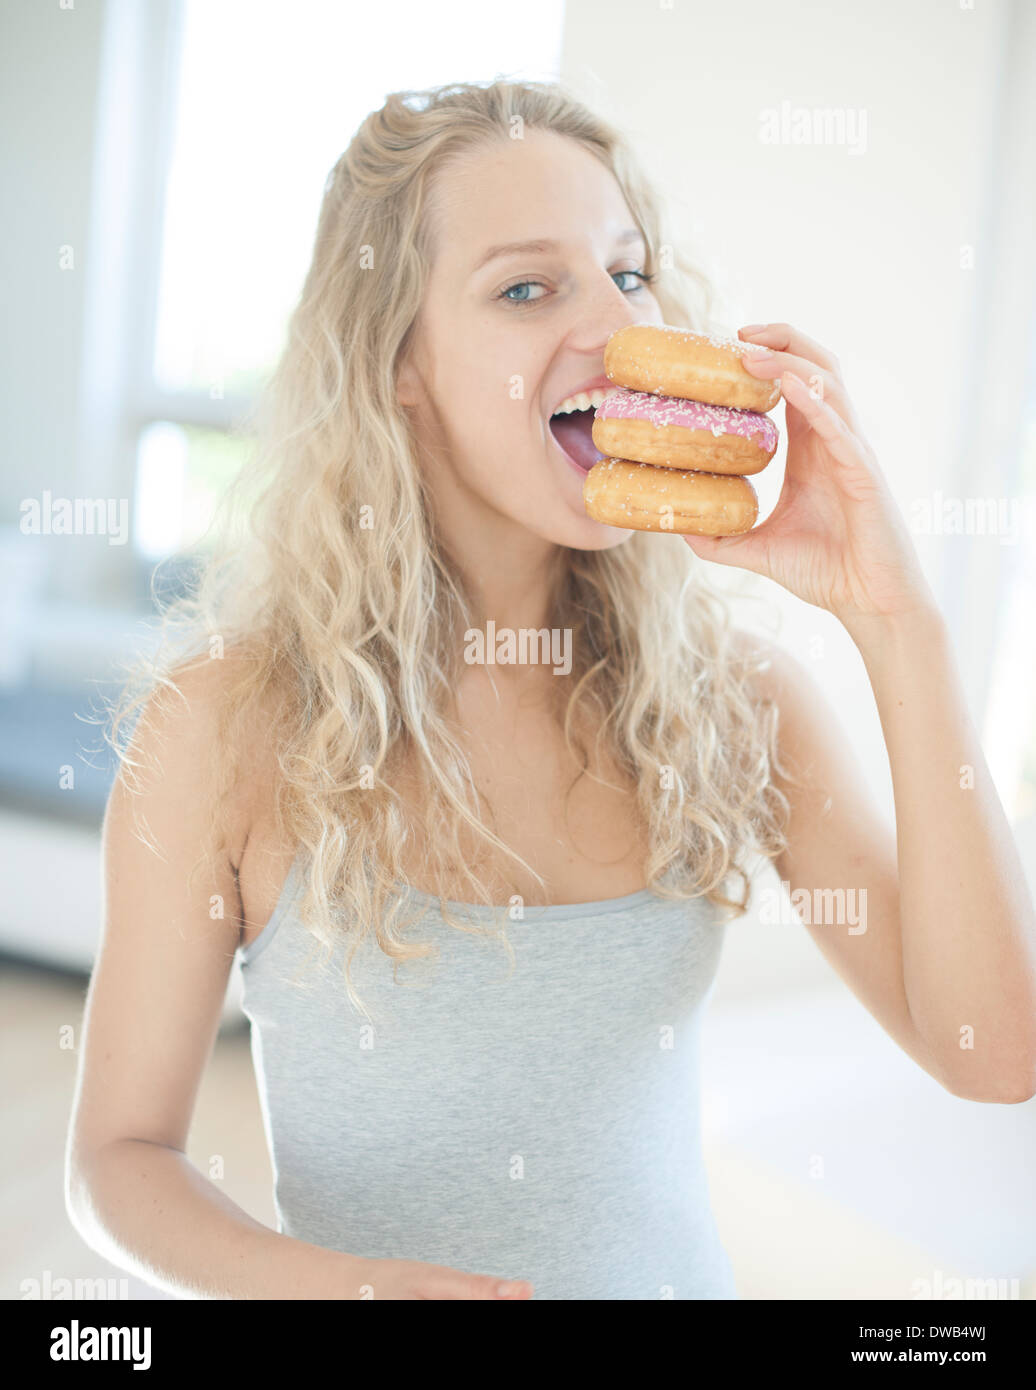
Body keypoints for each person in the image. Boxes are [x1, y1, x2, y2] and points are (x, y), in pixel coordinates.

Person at [65, 79, 1036, 1301]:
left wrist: (899, 625)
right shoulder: (226, 724)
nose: (611, 326)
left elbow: (993, 1056)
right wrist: (337, 1289)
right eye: (527, 288)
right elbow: (117, 1157)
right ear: (399, 362)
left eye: (626, 274)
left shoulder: (737, 703)